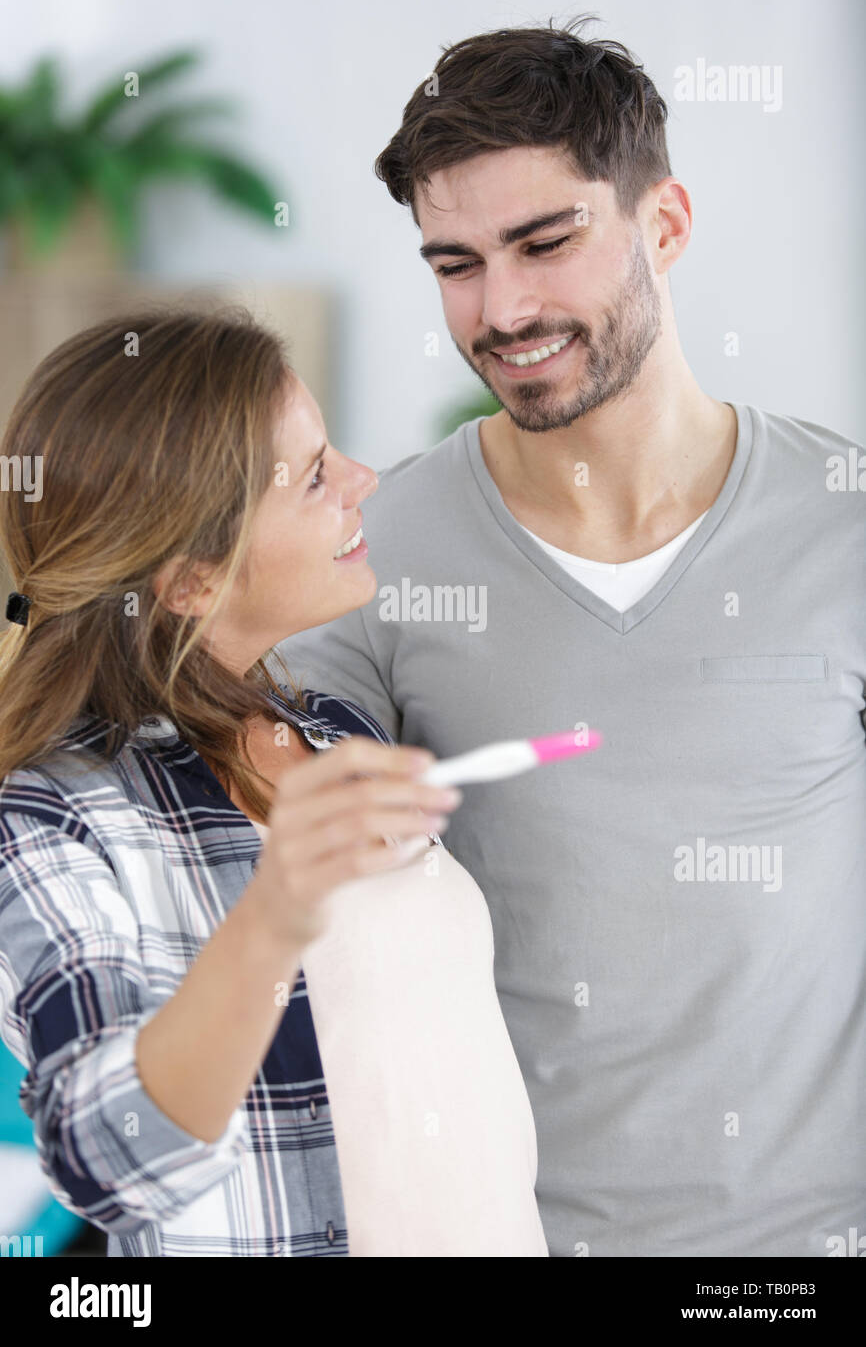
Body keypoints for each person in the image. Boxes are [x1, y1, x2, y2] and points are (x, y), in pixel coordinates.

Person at [277, 17, 866, 1256]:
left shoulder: (843, 527)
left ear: (663, 225)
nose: (501, 308)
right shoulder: (370, 561)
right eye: (455, 263)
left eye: (545, 243)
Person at [0, 307, 549, 1257]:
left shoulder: (335, 735)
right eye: (312, 477)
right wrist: (274, 913)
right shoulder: (51, 818)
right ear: (188, 581)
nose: (361, 480)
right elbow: (108, 1155)